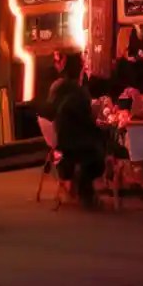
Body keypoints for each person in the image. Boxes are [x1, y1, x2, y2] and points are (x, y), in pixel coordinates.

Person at [51, 61, 107, 208]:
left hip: (64, 142)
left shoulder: (62, 95)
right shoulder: (79, 97)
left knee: (97, 147)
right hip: (76, 144)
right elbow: (86, 123)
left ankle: (83, 189)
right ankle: (85, 193)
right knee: (98, 156)